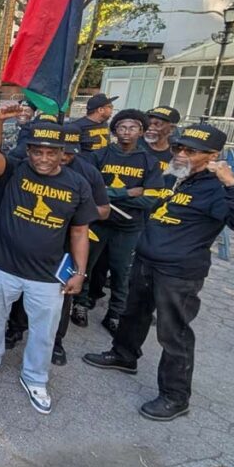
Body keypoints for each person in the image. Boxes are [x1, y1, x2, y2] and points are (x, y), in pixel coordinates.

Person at [84, 124, 234, 421]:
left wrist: (232, 184)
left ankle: (175, 396)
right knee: (133, 313)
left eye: (191, 151)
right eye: (179, 148)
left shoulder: (218, 188)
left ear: (214, 155)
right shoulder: (179, 177)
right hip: (147, 260)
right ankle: (124, 355)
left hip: (179, 272)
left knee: (173, 333)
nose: (182, 154)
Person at [0, 103, 98, 414]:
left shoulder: (77, 184)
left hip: (46, 275)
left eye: (50, 152)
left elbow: (80, 232)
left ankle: (35, 378)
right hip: (2, 265)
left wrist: (79, 273)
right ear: (28, 152)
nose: (43, 158)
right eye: (37, 151)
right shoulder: (15, 168)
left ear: (63, 153)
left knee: (44, 331)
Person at [5, 124, 111, 365]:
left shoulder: (87, 174)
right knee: (25, 288)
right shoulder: (32, 168)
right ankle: (16, 329)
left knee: (60, 296)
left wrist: (75, 211)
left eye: (68, 153)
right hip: (38, 239)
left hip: (67, 244)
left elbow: (103, 210)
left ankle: (56, 343)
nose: (64, 158)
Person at [71, 110, 164, 333]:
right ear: (114, 130)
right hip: (97, 223)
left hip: (129, 227)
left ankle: (115, 313)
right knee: (85, 266)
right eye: (122, 127)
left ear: (141, 131)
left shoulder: (149, 161)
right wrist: (127, 193)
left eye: (132, 128)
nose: (126, 132)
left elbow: (151, 198)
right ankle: (80, 304)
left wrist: (109, 194)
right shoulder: (99, 156)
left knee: (122, 272)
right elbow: (90, 191)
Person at [141, 106, 181, 176]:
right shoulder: (133, 145)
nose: (150, 128)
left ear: (172, 129)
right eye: (148, 123)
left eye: (157, 124)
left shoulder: (178, 153)